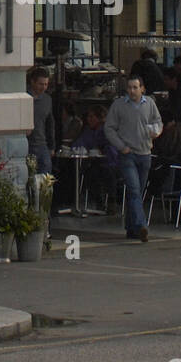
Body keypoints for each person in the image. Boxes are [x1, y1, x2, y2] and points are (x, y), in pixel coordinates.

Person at [105, 75, 163, 242]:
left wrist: (156, 131)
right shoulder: (119, 105)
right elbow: (109, 128)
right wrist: (121, 146)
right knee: (134, 189)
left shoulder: (150, 104)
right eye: (129, 88)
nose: (131, 91)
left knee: (137, 192)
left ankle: (131, 228)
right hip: (128, 154)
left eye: (135, 87)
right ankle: (141, 225)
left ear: (142, 88)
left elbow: (158, 121)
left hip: (145, 153)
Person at [74, 104, 119, 205]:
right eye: (88, 117)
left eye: (91, 117)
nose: (88, 119)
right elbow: (80, 142)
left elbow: (112, 147)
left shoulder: (107, 130)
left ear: (99, 118)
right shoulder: (88, 130)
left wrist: (102, 149)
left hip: (112, 162)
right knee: (90, 172)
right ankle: (98, 201)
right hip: (95, 162)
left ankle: (112, 201)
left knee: (107, 173)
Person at [27, 67, 54, 176]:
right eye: (40, 84)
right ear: (32, 82)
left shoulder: (47, 99)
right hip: (27, 143)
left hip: (42, 144)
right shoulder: (25, 97)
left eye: (46, 84)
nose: (43, 87)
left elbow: (50, 123)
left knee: (45, 176)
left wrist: (52, 146)